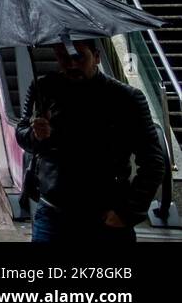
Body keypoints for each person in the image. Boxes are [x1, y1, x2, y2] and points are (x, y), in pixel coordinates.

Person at [16, 40, 165, 243]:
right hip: (53, 211)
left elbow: (153, 161)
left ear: (96, 56)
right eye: (63, 57)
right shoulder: (44, 89)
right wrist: (35, 135)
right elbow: (23, 134)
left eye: (79, 57)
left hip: (105, 215)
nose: (71, 64)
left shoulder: (126, 98)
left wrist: (128, 211)